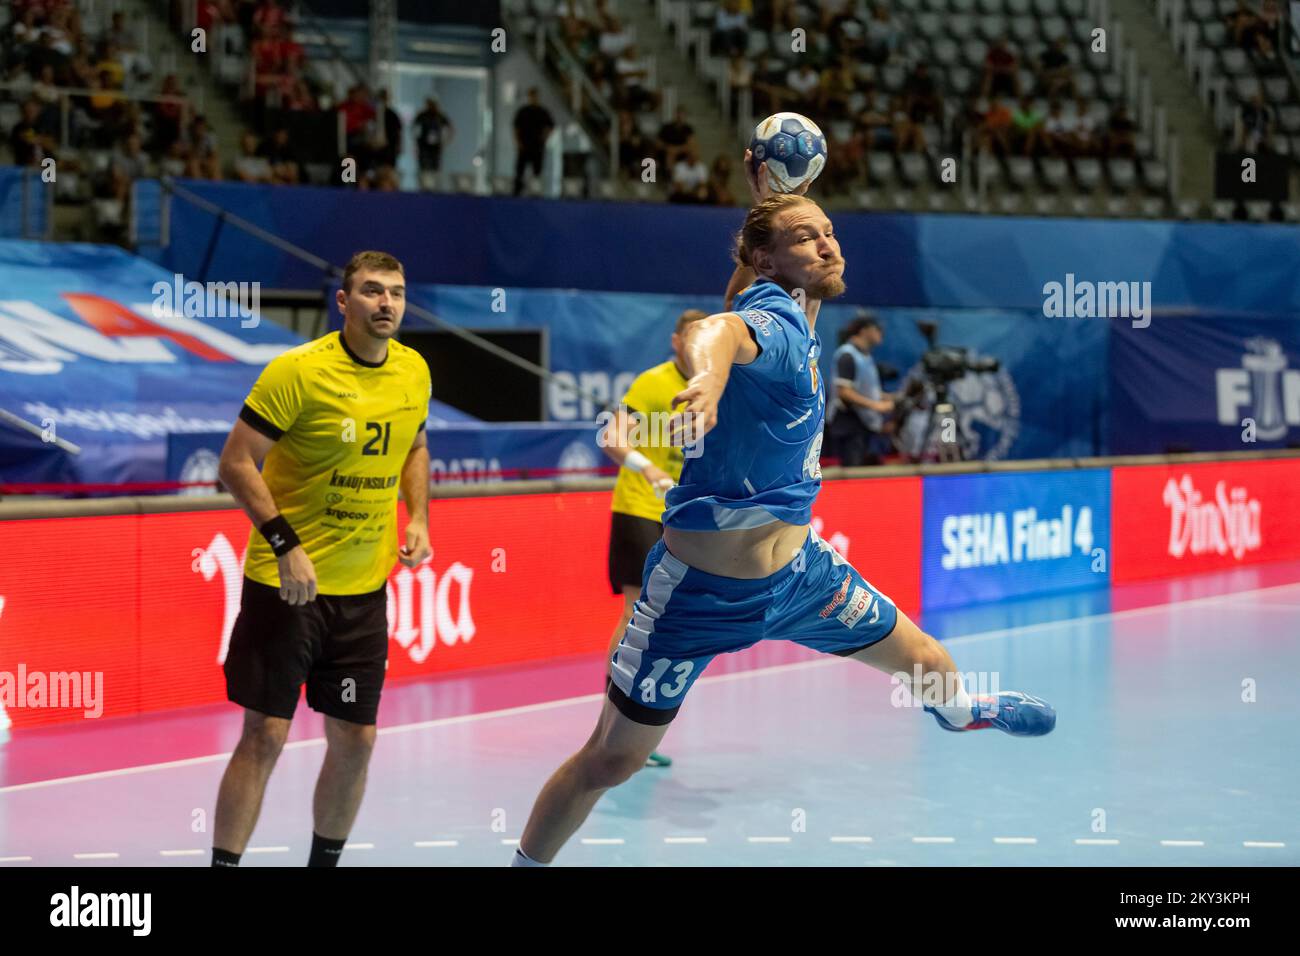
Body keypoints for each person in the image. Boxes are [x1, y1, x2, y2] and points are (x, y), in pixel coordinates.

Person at [510, 164, 1056, 868]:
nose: (829, 245)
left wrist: (768, 204)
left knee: (928, 660)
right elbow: (722, 329)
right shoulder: (772, 321)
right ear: (767, 261)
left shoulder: (799, 312)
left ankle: (960, 714)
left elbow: (745, 292)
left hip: (802, 577)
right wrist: (705, 380)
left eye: (830, 232)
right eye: (808, 237)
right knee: (609, 762)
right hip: (698, 598)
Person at [211, 250, 432, 868]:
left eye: (395, 292)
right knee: (265, 734)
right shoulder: (297, 372)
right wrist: (287, 546)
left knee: (357, 739)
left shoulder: (414, 371)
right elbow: (233, 463)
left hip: (361, 595)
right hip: (286, 589)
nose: (386, 303)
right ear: (344, 302)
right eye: (371, 291)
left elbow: (415, 445)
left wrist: (417, 517)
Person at [599, 309, 711, 770]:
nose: (697, 345)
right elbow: (612, 438)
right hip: (639, 507)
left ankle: (637, 721)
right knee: (637, 608)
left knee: (666, 616)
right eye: (690, 337)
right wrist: (644, 466)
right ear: (675, 342)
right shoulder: (652, 383)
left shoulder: (714, 387)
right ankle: (614, 718)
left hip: (683, 516)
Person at [826, 315, 895, 466]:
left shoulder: (865, 356)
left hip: (863, 424)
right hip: (848, 423)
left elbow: (864, 388)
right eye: (877, 329)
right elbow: (844, 392)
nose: (880, 333)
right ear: (864, 331)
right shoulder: (847, 355)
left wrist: (886, 397)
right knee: (851, 472)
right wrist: (876, 406)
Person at [513, 87, 554, 196]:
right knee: (519, 171)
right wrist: (518, 142)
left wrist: (544, 139)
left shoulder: (542, 111)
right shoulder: (523, 111)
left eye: (535, 96)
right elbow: (516, 128)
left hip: (537, 146)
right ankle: (517, 192)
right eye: (531, 96)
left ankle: (535, 192)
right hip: (524, 145)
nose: (533, 98)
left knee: (537, 172)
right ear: (528, 97)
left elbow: (550, 126)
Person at [414, 96, 454, 191]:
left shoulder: (440, 116)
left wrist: (446, 141)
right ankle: (424, 187)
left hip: (436, 147)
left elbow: (450, 128)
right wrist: (416, 143)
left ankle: (435, 187)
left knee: (435, 167)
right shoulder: (422, 115)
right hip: (424, 146)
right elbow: (414, 129)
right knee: (424, 167)